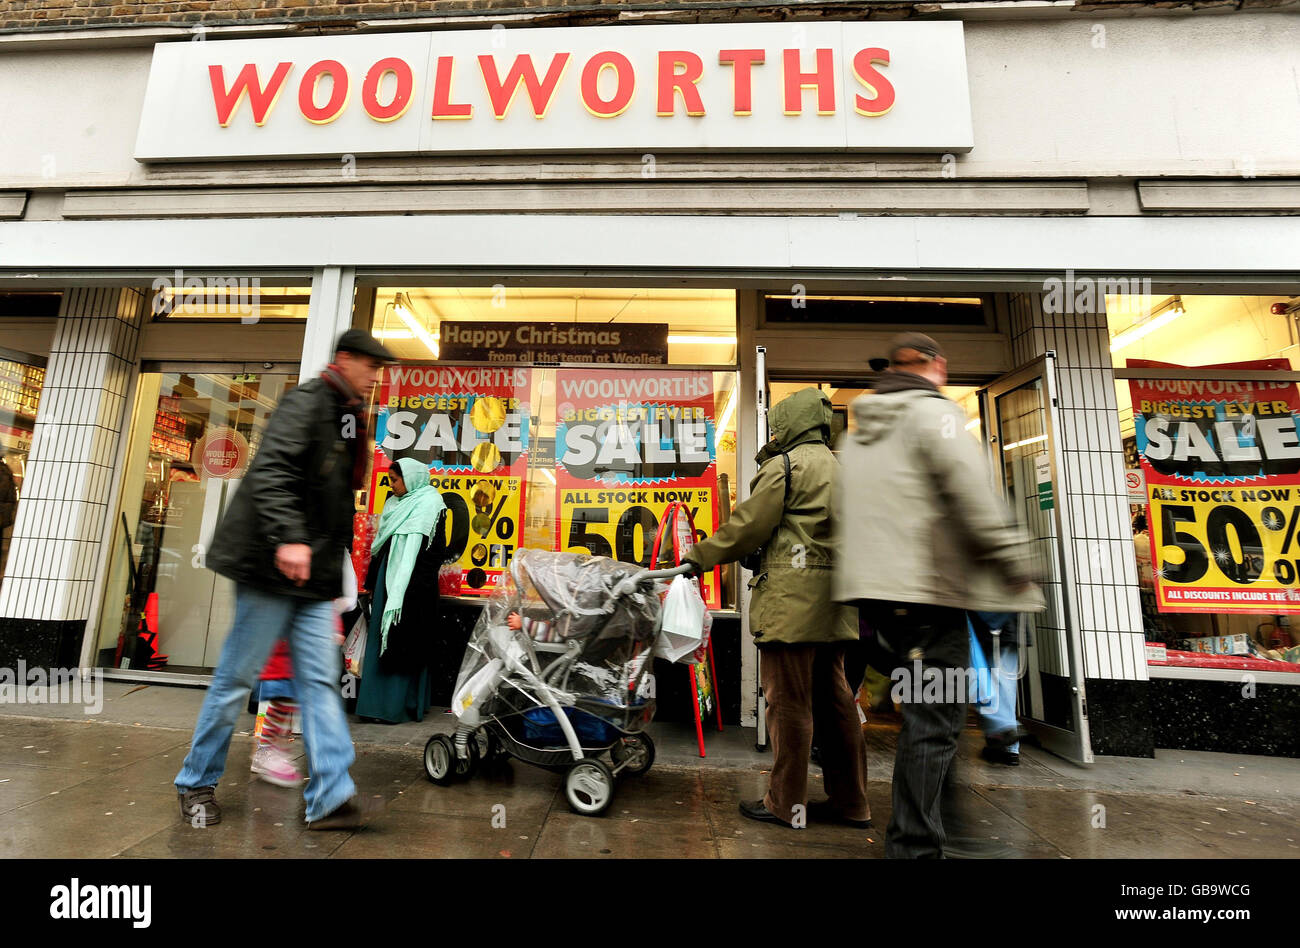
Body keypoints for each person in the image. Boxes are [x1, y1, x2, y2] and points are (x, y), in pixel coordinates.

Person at [174, 329, 394, 831]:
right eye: (370, 366)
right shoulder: (307, 402)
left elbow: (337, 495)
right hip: (269, 566)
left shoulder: (348, 416)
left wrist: (335, 567)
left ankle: (331, 796)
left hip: (311, 573)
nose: (375, 376)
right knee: (235, 680)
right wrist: (290, 537)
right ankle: (195, 783)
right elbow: (273, 471)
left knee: (318, 679)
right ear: (345, 359)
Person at [833, 332, 1042, 858]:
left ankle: (934, 829)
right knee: (934, 721)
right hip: (928, 592)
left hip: (880, 599)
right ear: (936, 365)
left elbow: (842, 513)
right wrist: (1014, 561)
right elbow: (975, 497)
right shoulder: (936, 417)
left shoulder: (856, 434)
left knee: (930, 716)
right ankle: (914, 847)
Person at [684, 387, 870, 830]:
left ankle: (786, 804)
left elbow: (748, 526)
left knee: (788, 704)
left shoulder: (785, 466)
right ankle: (852, 803)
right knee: (837, 702)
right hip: (836, 603)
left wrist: (699, 556)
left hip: (791, 605)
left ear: (788, 423)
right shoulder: (843, 469)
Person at [356, 456, 448, 723]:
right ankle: (374, 707)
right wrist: (373, 583)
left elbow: (434, 553)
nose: (392, 485)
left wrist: (410, 587)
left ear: (411, 478)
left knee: (405, 644)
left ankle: (397, 708)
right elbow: (380, 547)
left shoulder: (432, 504)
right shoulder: (393, 504)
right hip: (388, 585)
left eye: (396, 480)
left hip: (414, 590)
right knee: (381, 643)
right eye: (390, 480)